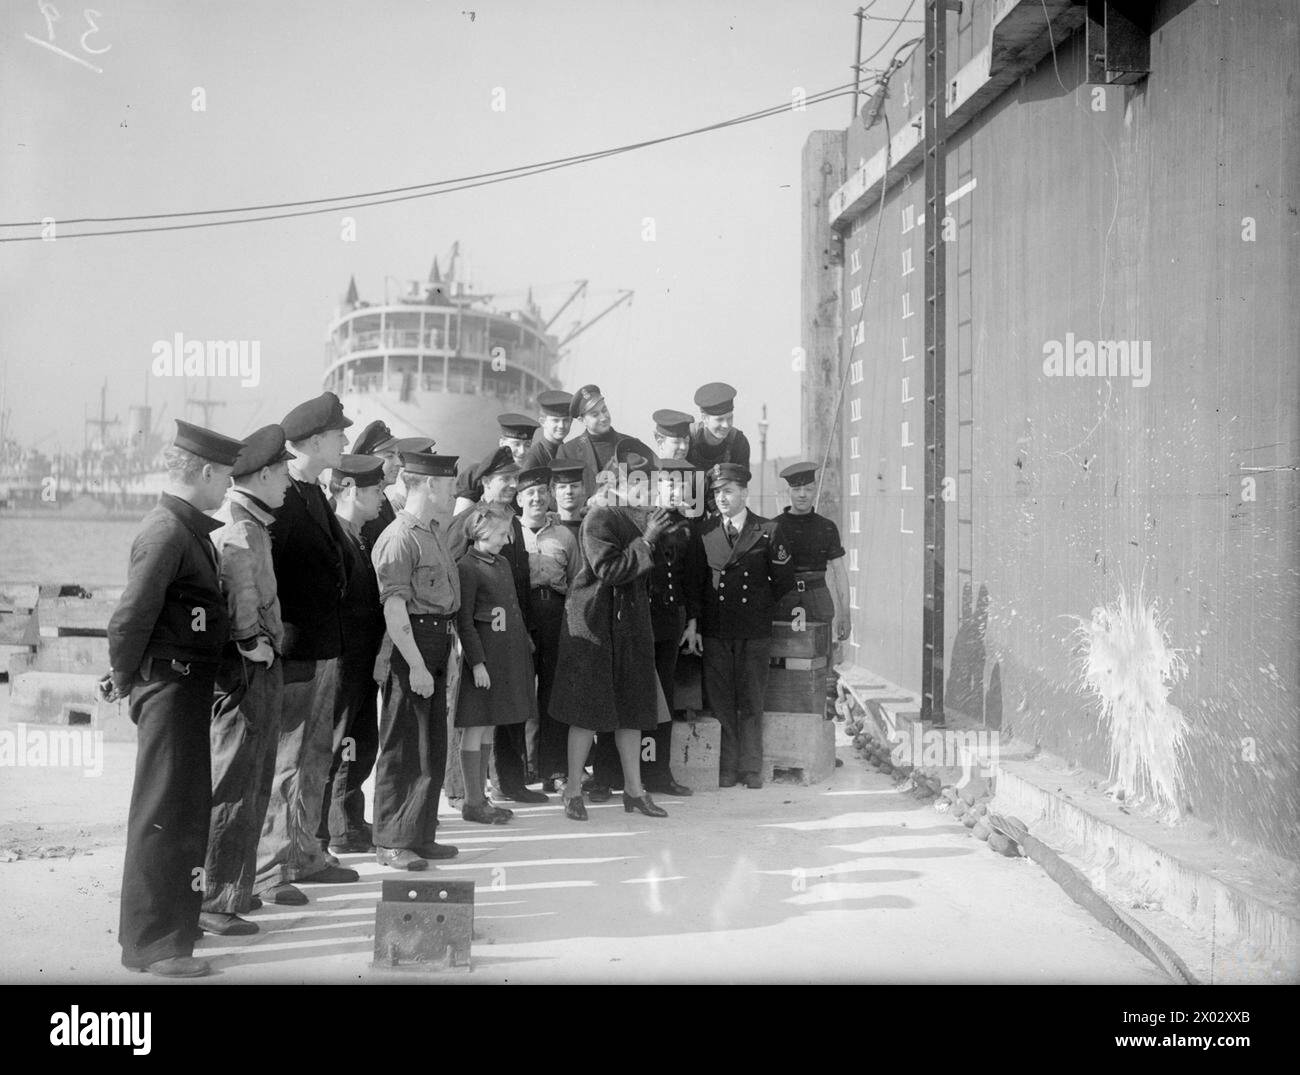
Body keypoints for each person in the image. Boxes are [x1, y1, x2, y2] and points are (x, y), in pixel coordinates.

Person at [107, 419, 243, 977]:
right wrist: (126, 681)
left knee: (183, 812)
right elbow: (128, 620)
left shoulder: (187, 532)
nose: (228, 489)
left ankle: (173, 933)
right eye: (226, 478)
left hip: (185, 688)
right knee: (162, 813)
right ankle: (153, 945)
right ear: (205, 472)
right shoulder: (167, 532)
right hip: (168, 689)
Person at [257, 391, 360, 907]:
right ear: (315, 441)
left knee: (315, 754)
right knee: (286, 761)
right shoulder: (281, 500)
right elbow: (263, 580)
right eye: (339, 434)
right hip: (295, 650)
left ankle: (305, 852)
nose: (345, 440)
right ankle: (272, 870)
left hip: (323, 647)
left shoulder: (313, 493)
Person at [201, 425, 293, 939]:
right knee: (234, 783)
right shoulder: (239, 524)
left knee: (254, 778)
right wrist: (251, 640)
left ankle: (235, 888)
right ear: (262, 473)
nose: (286, 482)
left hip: (259, 666)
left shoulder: (254, 520)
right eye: (281, 472)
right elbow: (240, 589)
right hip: (246, 670)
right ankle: (214, 899)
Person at [550, 452, 672, 822]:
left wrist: (656, 538)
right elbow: (610, 570)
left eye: (649, 484)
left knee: (632, 712)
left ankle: (635, 792)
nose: (645, 491)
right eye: (637, 484)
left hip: (629, 627)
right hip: (594, 627)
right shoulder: (600, 518)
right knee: (587, 713)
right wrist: (648, 540)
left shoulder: (639, 519)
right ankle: (573, 791)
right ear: (617, 486)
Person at [370, 449, 463, 869]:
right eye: (449, 483)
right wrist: (418, 665)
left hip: (435, 641)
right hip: (413, 647)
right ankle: (392, 840)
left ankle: (420, 833)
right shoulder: (399, 537)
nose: (455, 490)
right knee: (403, 745)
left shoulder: (432, 532)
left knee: (430, 746)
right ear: (428, 484)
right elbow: (394, 609)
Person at [449, 447, 545, 804]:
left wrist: (523, 632)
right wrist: (461, 639)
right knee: (471, 716)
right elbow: (456, 581)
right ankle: (463, 791)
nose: (511, 486)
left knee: (507, 709)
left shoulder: (512, 523)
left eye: (514, 480)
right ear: (485, 482)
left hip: (509, 633)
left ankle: (508, 781)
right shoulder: (469, 523)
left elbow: (517, 581)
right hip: (476, 636)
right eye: (504, 479)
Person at [691, 463, 795, 789]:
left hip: (754, 628)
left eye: (729, 491)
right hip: (717, 628)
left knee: (751, 698)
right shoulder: (704, 533)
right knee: (721, 699)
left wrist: (759, 608)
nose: (722, 498)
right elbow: (696, 583)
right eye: (717, 492)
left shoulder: (767, 530)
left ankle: (750, 767)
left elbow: (782, 582)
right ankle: (727, 766)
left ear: (744, 493)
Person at [317, 454, 388, 855]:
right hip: (344, 661)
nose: (382, 497)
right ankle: (323, 835)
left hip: (361, 660)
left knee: (360, 743)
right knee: (336, 744)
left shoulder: (357, 536)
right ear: (348, 490)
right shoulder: (337, 538)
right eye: (375, 490)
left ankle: (347, 823)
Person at [515, 465, 582, 792]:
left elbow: (575, 580)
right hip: (521, 614)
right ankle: (525, 767)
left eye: (542, 492)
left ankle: (553, 768)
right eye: (530, 494)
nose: (538, 498)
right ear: (519, 499)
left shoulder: (564, 536)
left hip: (556, 612)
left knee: (554, 692)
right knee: (524, 692)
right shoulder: (511, 533)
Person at [771, 462, 850, 714]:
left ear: (815, 489)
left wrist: (845, 613)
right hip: (785, 600)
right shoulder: (774, 527)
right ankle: (789, 712)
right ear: (789, 493)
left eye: (807, 488)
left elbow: (839, 572)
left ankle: (820, 717)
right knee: (784, 658)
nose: (802, 494)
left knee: (821, 660)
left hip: (817, 599)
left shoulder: (827, 527)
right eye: (797, 489)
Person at [553, 384, 654, 502]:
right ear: (582, 420)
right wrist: (588, 503)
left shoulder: (632, 445)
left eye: (604, 410)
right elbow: (558, 498)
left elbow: (650, 489)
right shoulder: (568, 451)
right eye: (595, 414)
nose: (603, 417)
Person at [351, 420, 435, 551]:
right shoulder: (358, 503)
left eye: (398, 455)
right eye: (390, 456)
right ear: (368, 459)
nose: (399, 463)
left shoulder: (383, 501)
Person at [452, 413, 539, 513]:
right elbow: (460, 522)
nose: (522, 451)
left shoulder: (529, 481)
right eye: (516, 444)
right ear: (502, 443)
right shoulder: (476, 474)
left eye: (527, 445)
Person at [687, 382, 751, 514]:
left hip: (722, 506)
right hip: (687, 505)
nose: (726, 425)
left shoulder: (738, 442)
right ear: (704, 418)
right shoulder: (687, 439)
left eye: (730, 418)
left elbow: (739, 485)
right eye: (720, 419)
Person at [520, 390, 574, 471]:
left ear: (571, 421)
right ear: (542, 422)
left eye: (566, 420)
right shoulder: (534, 458)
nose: (561, 426)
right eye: (555, 420)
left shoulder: (569, 454)